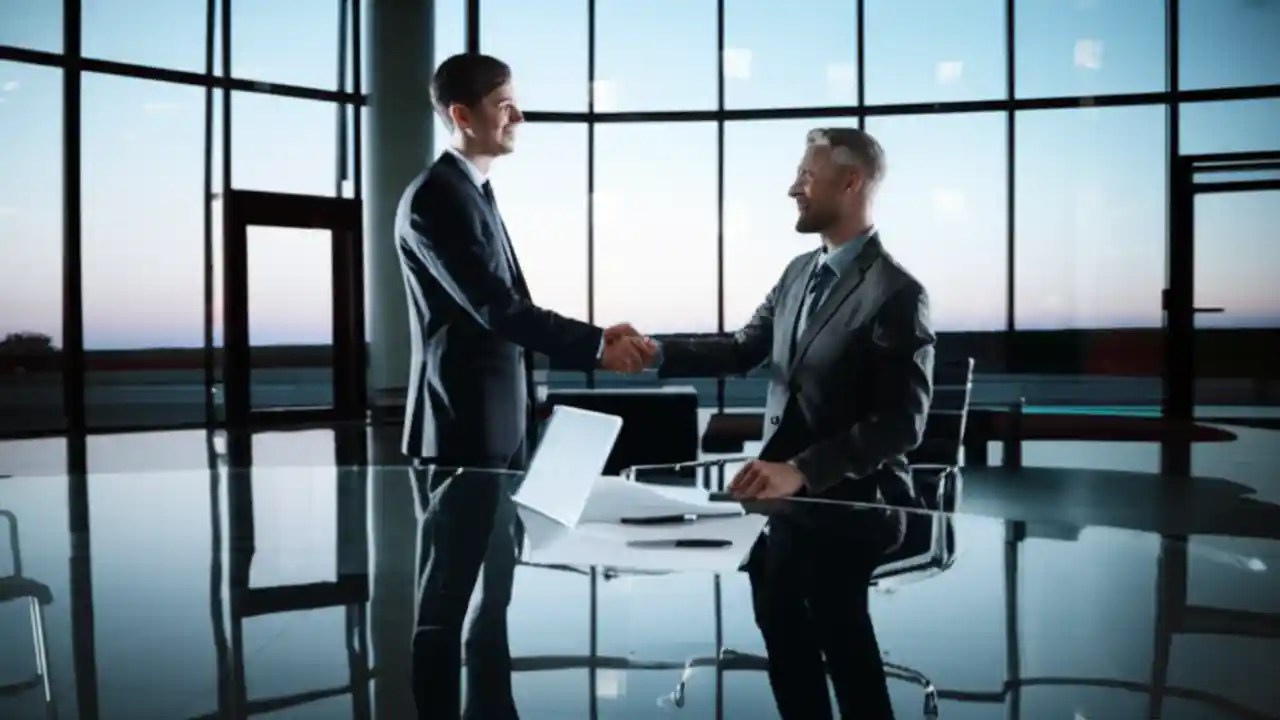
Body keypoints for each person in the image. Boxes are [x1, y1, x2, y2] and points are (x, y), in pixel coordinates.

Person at [395, 53, 655, 719]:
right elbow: (497, 310)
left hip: (497, 428)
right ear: (462, 115)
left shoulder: (473, 192)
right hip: (461, 432)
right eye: (504, 104)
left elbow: (505, 312)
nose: (519, 116)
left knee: (493, 604)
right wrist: (596, 344)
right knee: (445, 610)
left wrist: (597, 336)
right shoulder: (437, 198)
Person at [650, 127, 935, 718]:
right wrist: (655, 351)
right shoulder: (798, 273)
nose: (793, 188)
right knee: (780, 607)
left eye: (806, 175)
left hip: (858, 499)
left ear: (850, 182)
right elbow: (741, 348)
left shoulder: (896, 292)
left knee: (819, 607)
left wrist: (802, 471)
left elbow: (901, 424)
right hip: (789, 503)